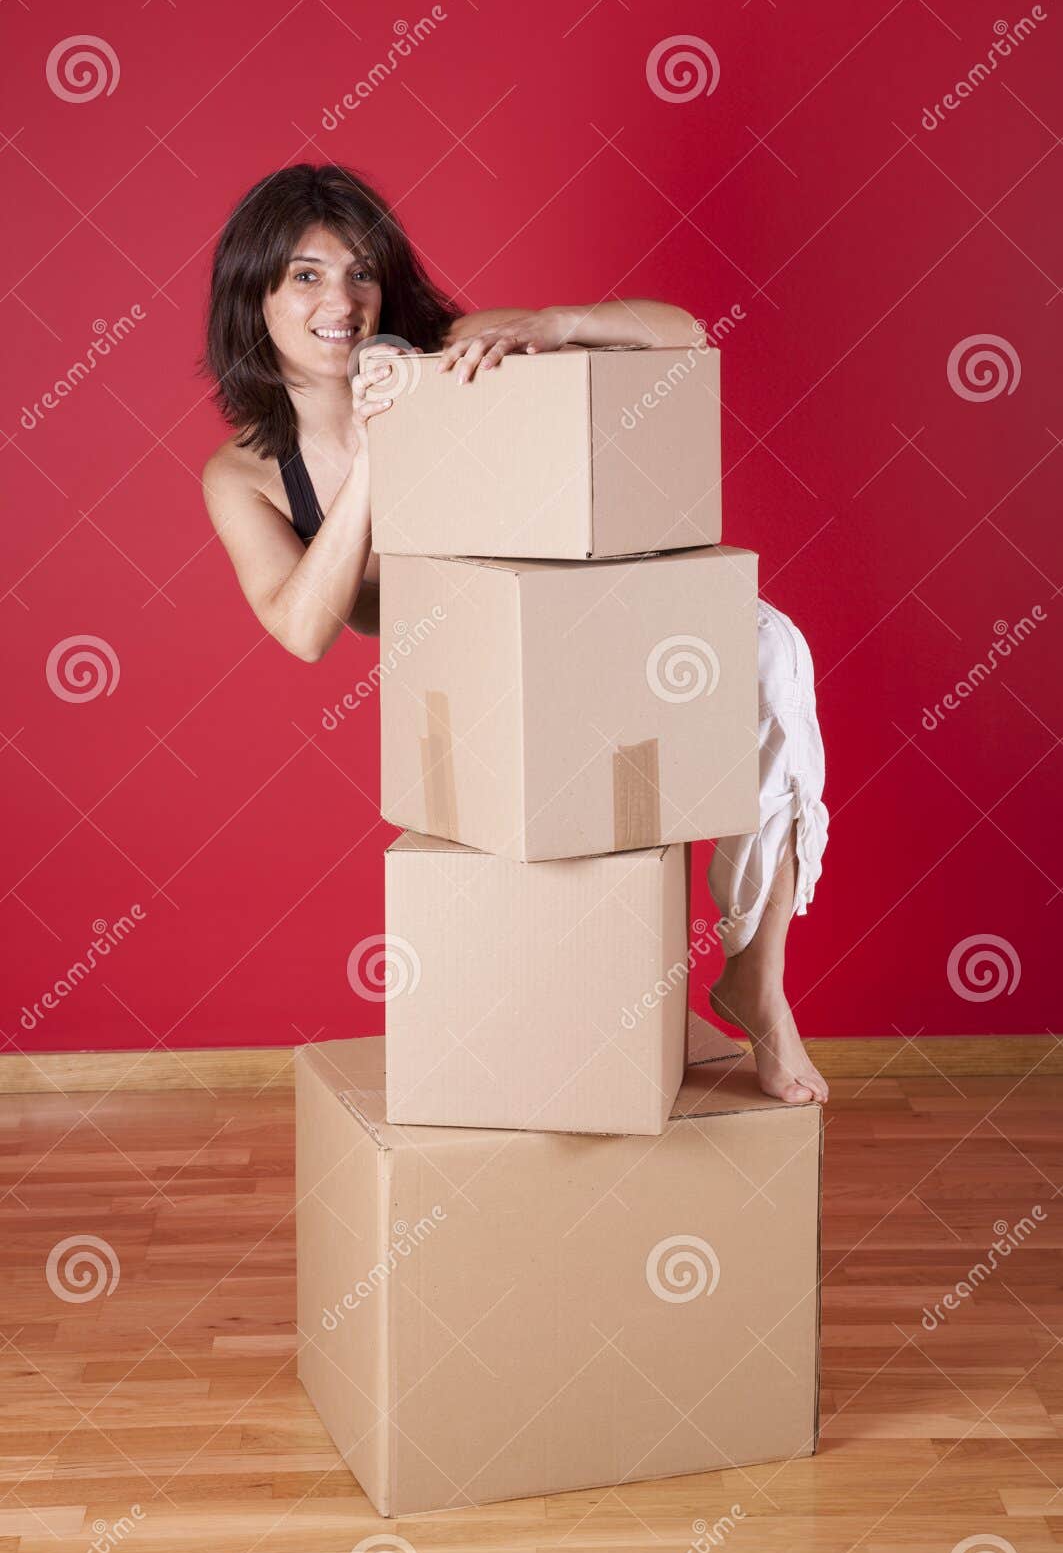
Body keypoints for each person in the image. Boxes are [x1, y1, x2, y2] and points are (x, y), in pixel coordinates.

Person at [201, 164, 829, 1106]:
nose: (342, 301)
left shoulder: (450, 353)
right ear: (252, 296)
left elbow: (683, 334)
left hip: (591, 608)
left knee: (770, 649)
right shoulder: (245, 472)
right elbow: (301, 629)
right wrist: (377, 457)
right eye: (305, 276)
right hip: (481, 670)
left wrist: (559, 325)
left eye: (361, 273)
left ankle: (757, 982)